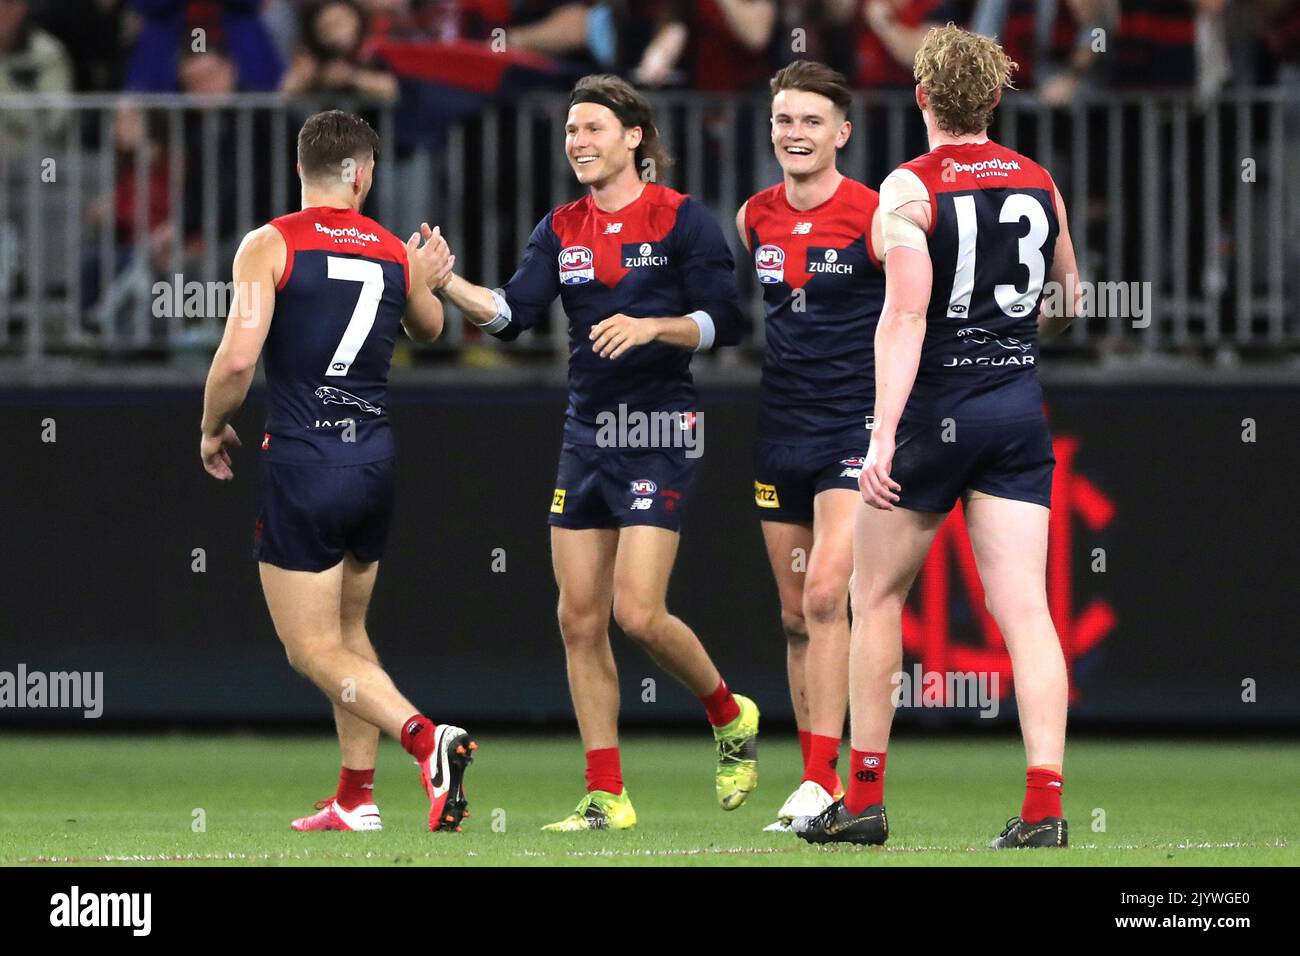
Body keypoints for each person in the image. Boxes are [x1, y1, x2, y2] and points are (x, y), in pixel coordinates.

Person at [433, 74, 757, 831]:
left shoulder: (682, 219)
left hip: (660, 430)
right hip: (587, 435)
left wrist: (655, 327)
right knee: (579, 620)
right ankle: (607, 795)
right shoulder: (560, 227)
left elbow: (731, 323)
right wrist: (447, 283)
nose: (578, 142)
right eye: (571, 131)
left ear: (634, 138)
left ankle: (728, 712)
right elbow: (512, 316)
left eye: (592, 129)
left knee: (638, 613)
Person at [795, 25, 1082, 848]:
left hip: (933, 415)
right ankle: (1045, 808)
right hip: (1016, 410)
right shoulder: (1038, 182)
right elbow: (1068, 300)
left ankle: (866, 798)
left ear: (921, 97)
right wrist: (1014, 339)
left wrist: (880, 438)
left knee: (875, 597)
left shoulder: (908, 188)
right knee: (1027, 611)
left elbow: (906, 313)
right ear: (994, 98)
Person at [199, 110, 476, 833]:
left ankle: (425, 737)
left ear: (303, 171)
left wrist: (209, 427)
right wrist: (422, 276)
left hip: (303, 459)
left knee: (309, 647)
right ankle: (356, 796)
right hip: (373, 462)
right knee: (350, 634)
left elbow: (235, 358)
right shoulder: (388, 248)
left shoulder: (271, 243)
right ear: (362, 174)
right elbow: (431, 329)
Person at [735, 60, 886, 830]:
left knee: (830, 596)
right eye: (785, 121)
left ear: (841, 133)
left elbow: (912, 313)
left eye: (811, 122)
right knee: (796, 615)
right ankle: (812, 781)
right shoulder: (753, 215)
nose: (795, 134)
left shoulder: (872, 214)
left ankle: (829, 780)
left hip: (851, 430)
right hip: (780, 430)